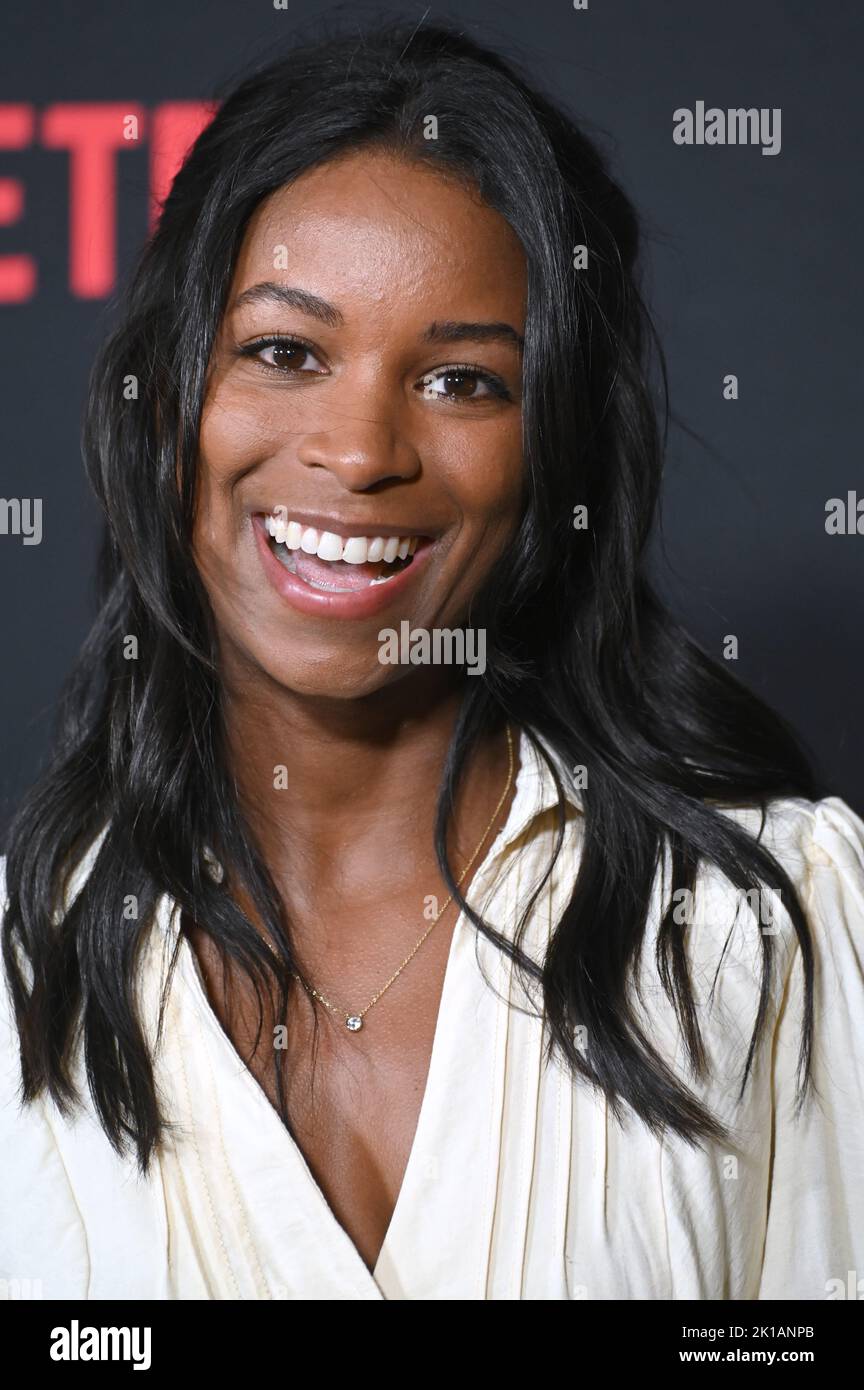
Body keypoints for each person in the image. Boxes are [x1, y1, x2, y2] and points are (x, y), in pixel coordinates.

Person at [1, 19, 862, 1301]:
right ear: (169, 397)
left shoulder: (771, 934)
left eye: (462, 381)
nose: (359, 452)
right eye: (285, 351)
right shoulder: (22, 968)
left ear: (556, 454)